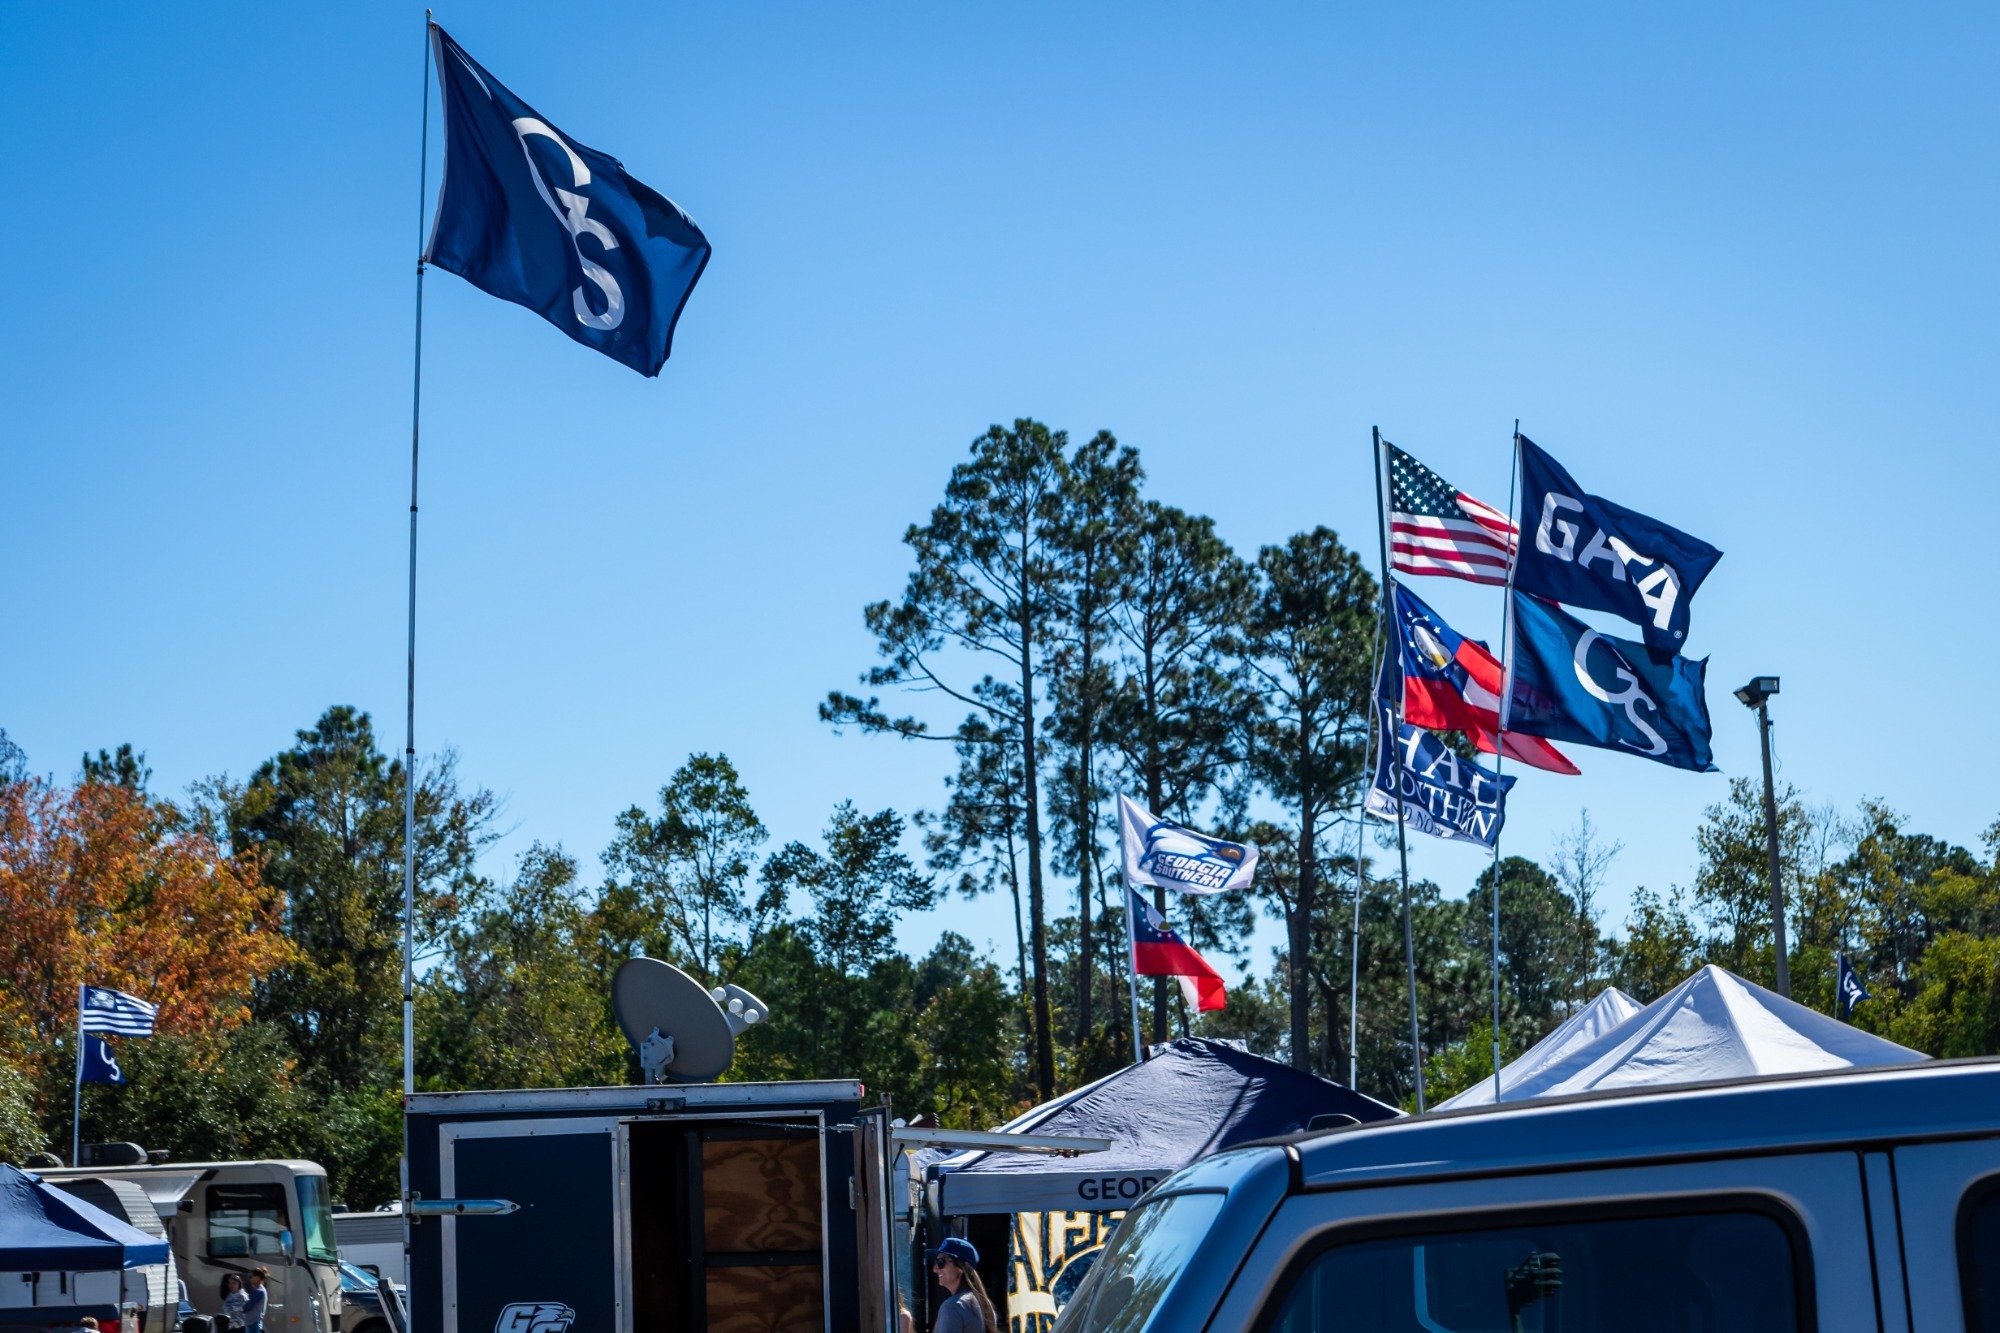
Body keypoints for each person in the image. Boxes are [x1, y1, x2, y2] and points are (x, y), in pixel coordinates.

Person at [926, 1237, 997, 1333]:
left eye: (941, 1262)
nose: (935, 1269)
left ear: (964, 1266)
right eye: (936, 1262)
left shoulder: (952, 1307)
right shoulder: (985, 1305)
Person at [240, 1269, 270, 1333]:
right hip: (254, 1323)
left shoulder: (259, 1291)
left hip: (253, 1323)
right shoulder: (261, 1290)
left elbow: (248, 1306)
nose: (250, 1279)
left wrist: (242, 1308)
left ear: (257, 1277)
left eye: (251, 1277)